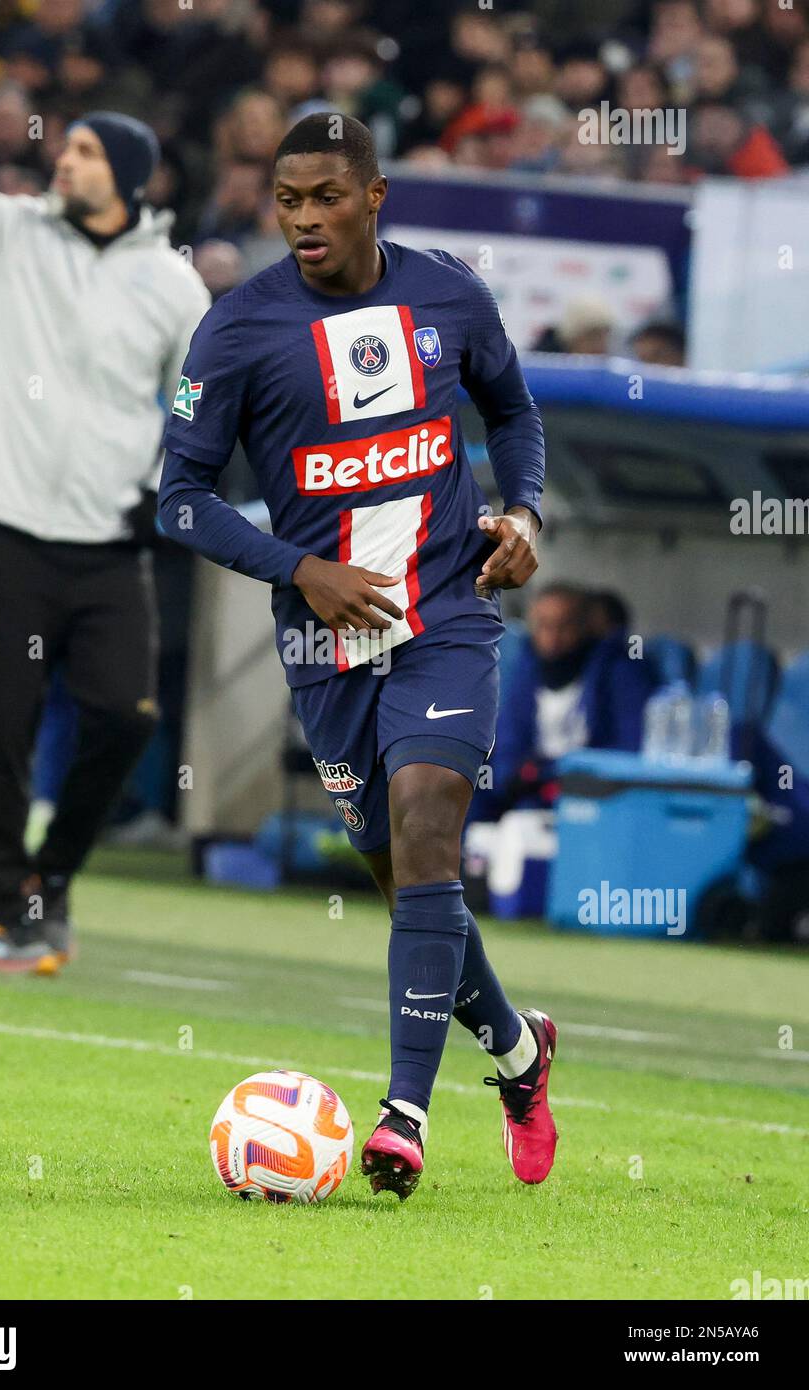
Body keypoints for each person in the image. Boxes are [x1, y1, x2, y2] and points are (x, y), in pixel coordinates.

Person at [158, 113, 557, 1200]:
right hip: (323, 641)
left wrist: (521, 508)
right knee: (403, 879)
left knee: (430, 824)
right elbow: (178, 502)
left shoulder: (449, 297)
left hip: (446, 611)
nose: (301, 220)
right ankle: (520, 1054)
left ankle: (402, 1119)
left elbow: (512, 408)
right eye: (286, 200)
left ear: (373, 196)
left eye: (324, 197)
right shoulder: (235, 331)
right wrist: (300, 570)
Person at [0, 22, 211, 974]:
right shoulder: (11, 235)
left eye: (92, 152)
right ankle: (2, 911)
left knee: (126, 716)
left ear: (135, 176)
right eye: (69, 147)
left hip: (110, 540)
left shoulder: (174, 287)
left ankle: (50, 880)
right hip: (5, 529)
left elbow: (196, 399)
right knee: (0, 730)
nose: (68, 159)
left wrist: (167, 486)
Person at [470, 583, 652, 822]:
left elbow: (628, 750)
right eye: (544, 626)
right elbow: (508, 744)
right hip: (532, 792)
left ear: (587, 627)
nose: (553, 637)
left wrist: (562, 775)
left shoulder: (620, 673)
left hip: (591, 794)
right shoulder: (526, 669)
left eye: (564, 626)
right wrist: (519, 777)